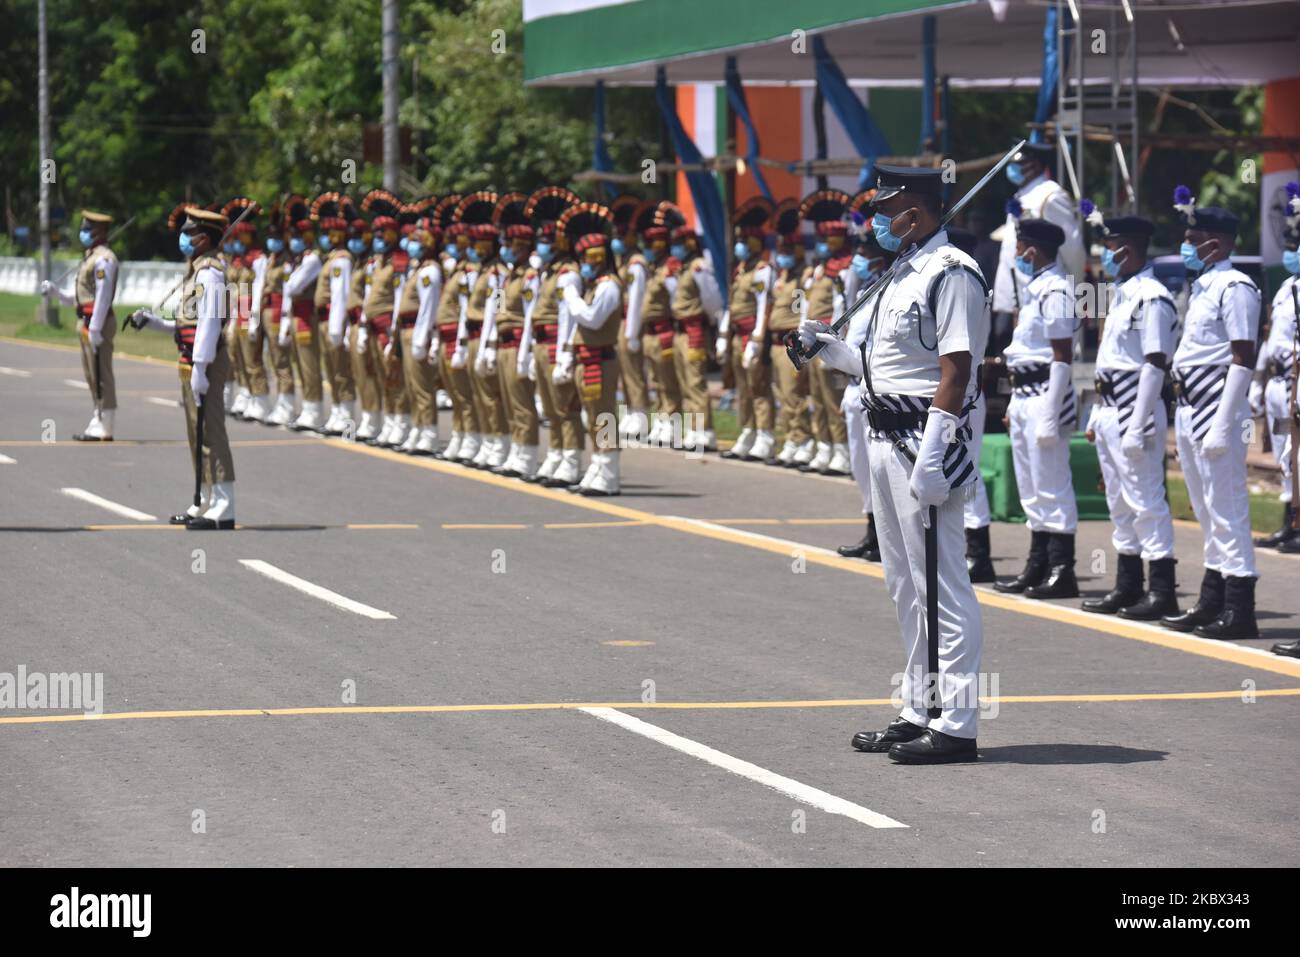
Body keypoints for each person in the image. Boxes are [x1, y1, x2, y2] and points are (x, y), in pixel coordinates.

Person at [800, 164, 989, 763]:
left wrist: (932, 460)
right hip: (883, 436)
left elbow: (956, 373)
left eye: (890, 207)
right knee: (904, 584)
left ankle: (957, 725)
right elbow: (879, 367)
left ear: (919, 211)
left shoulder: (953, 273)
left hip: (920, 443)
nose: (879, 218)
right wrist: (826, 348)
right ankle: (919, 707)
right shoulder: (899, 273)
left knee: (943, 587)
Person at [1161, 190, 1262, 640]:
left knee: (1229, 509)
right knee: (1205, 509)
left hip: (1216, 409)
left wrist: (1223, 423)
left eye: (1192, 238)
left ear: (1215, 243)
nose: (1186, 246)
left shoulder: (1235, 287)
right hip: (1189, 407)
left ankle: (1240, 608)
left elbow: (1243, 356)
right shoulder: (1202, 286)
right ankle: (1213, 598)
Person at [1080, 210, 1180, 619]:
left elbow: (1155, 363)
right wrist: (1094, 413)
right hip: (1109, 407)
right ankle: (1128, 585)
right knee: (1119, 503)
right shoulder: (1119, 292)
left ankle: (1162, 591)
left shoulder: (1152, 296)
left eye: (1109, 246)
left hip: (1133, 410)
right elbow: (1109, 358)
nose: (1105, 253)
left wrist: (1137, 424)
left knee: (1146, 501)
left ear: (1127, 248)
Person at [126, 207, 237, 529]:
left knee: (211, 431)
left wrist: (202, 367)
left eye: (190, 234)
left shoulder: (211, 273)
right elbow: (186, 323)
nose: (184, 239)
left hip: (206, 361)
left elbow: (210, 323)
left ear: (205, 238)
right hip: (189, 359)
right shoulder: (195, 272)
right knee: (196, 432)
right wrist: (154, 322)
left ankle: (225, 505)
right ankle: (203, 500)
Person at [993, 218, 1080, 600]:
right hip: (1025, 392)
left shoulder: (1058, 290)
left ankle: (1063, 569)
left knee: (1052, 485)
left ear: (1033, 249)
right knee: (1031, 488)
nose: (1016, 256)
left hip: (1047, 393)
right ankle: (1038, 564)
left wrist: (1050, 411)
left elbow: (1062, 356)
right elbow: (1022, 354)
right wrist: (1014, 400)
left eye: (1018, 247)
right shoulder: (1035, 289)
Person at [836, 190, 890, 561]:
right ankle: (872, 530)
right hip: (855, 387)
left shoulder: (888, 289)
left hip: (874, 386)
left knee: (879, 467)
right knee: (860, 466)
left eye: (864, 253)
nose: (857, 259)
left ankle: (885, 536)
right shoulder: (862, 288)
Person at [556, 201, 624, 495]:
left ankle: (609, 473)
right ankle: (598, 465)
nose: (582, 263)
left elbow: (593, 320)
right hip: (586, 360)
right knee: (591, 416)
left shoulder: (609, 287)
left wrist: (571, 297)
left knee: (604, 416)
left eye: (586, 258)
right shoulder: (594, 286)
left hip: (601, 360)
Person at [993, 140, 1084, 350]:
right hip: (1014, 293)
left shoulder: (1051, 196)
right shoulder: (1022, 195)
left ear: (1034, 164)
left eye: (1018, 162)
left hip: (1043, 292)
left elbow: (1073, 250)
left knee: (1045, 356)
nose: (1012, 168)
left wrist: (1075, 290)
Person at [520, 186, 582, 485]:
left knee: (565, 407)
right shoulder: (547, 272)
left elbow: (567, 318)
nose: (540, 245)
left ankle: (571, 459)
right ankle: (556, 454)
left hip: (557, 345)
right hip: (542, 344)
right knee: (550, 407)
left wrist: (565, 355)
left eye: (546, 240)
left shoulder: (567, 273)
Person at [43, 210, 119, 441]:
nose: (83, 233)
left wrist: (95, 327)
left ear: (100, 232)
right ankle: (98, 415)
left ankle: (106, 423)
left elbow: (103, 297)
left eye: (88, 229)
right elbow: (80, 298)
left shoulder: (103, 259)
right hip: (85, 321)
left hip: (98, 323)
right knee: (91, 374)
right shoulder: (90, 256)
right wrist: (56, 293)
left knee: (101, 373)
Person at [946, 226, 995, 581]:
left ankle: (979, 554)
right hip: (955, 394)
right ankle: (964, 550)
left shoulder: (966, 288)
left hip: (964, 395)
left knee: (967, 474)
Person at [1253, 182, 1300, 553]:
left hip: (1297, 385)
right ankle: (1289, 521)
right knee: (1285, 451)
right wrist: (1257, 383)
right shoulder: (1286, 289)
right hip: (1277, 385)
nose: (1289, 253)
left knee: (1299, 454)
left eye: (1294, 248)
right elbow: (1270, 339)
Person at [483, 192, 541, 477]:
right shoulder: (505, 276)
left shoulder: (530, 276)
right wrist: (490, 345)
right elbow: (496, 312)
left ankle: (528, 452)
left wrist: (526, 353)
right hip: (503, 343)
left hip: (519, 343)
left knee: (522, 402)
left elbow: (531, 314)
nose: (503, 248)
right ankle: (516, 450)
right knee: (507, 399)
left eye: (508, 243)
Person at [660, 204, 724, 451]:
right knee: (684, 382)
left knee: (696, 382)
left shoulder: (699, 266)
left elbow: (712, 300)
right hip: (678, 330)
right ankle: (694, 429)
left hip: (694, 330)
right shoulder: (681, 269)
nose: (674, 248)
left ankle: (705, 431)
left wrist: (705, 320)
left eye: (678, 244)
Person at [799, 190, 853, 476]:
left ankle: (842, 450)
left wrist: (832, 344)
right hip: (810, 341)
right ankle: (824, 446)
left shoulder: (843, 268)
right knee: (816, 399)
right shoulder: (819, 269)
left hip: (827, 341)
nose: (822, 244)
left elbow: (841, 309)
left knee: (833, 400)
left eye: (826, 239)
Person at [718, 197, 775, 461]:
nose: (739, 246)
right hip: (735, 334)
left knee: (758, 387)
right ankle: (748, 430)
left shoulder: (762, 271)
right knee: (742, 388)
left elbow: (764, 304)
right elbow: (731, 304)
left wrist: (756, 339)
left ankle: (765, 435)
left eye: (744, 241)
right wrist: (721, 334)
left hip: (752, 335)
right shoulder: (740, 270)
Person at [458, 191, 510, 468]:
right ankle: (488, 442)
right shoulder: (477, 271)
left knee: (492, 397)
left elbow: (496, 309)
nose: (476, 247)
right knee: (478, 395)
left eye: (481, 243)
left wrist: (490, 344)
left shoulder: (497, 273)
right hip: (473, 335)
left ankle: (499, 443)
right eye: (475, 242)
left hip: (486, 338)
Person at [765, 198, 814, 469]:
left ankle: (802, 439)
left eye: (787, 248)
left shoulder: (804, 274)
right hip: (774, 342)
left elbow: (802, 309)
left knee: (794, 395)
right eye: (780, 247)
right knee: (783, 395)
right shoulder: (780, 274)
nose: (782, 252)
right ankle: (791, 440)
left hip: (790, 341)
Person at [359, 190, 409, 448]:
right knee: (378, 376)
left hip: (387, 328)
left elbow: (400, 298)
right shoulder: (375, 263)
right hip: (370, 325)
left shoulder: (399, 263)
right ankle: (389, 422)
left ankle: (401, 422)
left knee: (394, 377)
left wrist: (393, 334)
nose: (378, 238)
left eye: (382, 233)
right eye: (375, 233)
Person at [313, 192, 360, 437]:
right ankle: (338, 411)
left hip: (334, 321)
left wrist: (336, 328)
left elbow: (341, 296)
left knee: (341, 371)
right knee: (331, 370)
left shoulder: (341, 260)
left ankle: (347, 418)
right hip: (324, 320)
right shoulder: (331, 258)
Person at [638, 203, 684, 448]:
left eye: (650, 245)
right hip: (649, 332)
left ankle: (673, 424)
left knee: (668, 380)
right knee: (656, 379)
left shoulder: (670, 267)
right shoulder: (654, 268)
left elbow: (676, 298)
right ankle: (662, 418)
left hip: (665, 330)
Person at [279, 199, 327, 433]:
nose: (294, 239)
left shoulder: (312, 259)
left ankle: (314, 409)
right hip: (296, 316)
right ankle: (308, 408)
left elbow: (292, 288)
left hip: (308, 316)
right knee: (300, 364)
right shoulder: (298, 260)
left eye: (299, 235)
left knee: (309, 365)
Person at [610, 195, 652, 443]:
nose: (616, 239)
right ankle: (629, 410)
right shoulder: (621, 261)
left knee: (634, 371)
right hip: (620, 321)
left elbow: (636, 300)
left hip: (629, 321)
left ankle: (641, 413)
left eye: (620, 235)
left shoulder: (636, 264)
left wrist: (632, 332)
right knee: (623, 370)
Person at [255, 199, 298, 427]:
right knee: (271, 358)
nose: (272, 241)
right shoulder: (270, 260)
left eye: (276, 237)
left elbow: (289, 292)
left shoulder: (287, 262)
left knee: (282, 361)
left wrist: (284, 321)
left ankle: (287, 404)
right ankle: (278, 403)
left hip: (278, 311)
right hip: (266, 310)